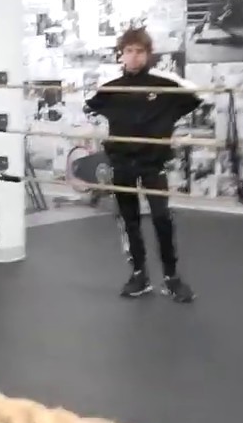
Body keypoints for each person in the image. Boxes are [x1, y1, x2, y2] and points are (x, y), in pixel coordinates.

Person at [85, 27, 200, 302]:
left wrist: (165, 124)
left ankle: (171, 278)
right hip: (122, 163)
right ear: (121, 55)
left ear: (148, 54)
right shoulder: (111, 89)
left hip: (152, 164)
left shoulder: (164, 85)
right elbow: (91, 106)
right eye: (129, 51)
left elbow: (194, 99)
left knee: (162, 218)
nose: (134, 56)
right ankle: (139, 275)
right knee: (129, 220)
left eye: (139, 51)